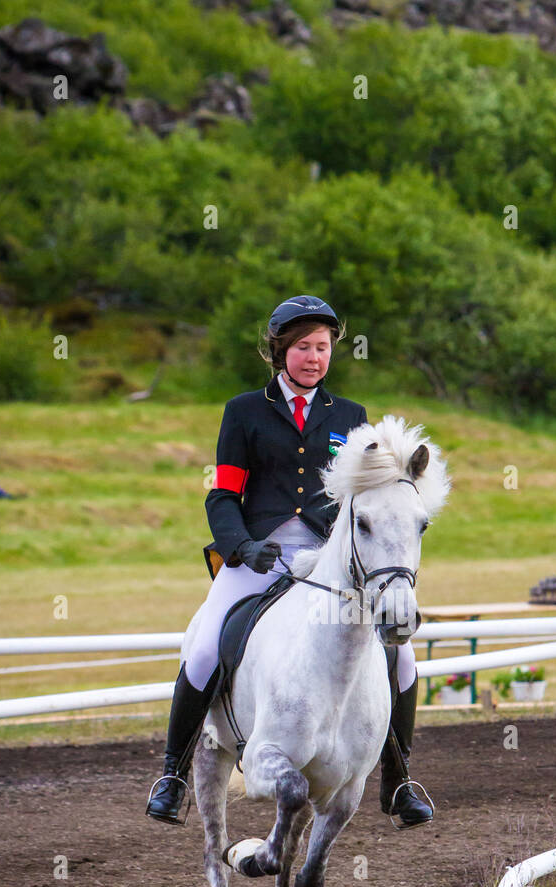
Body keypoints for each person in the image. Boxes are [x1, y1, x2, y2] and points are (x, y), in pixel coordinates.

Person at [146, 293, 433, 829]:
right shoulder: (243, 412)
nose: (315, 357)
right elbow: (223, 495)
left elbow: (362, 502)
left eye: (323, 347)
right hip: (255, 559)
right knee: (207, 646)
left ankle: (399, 779)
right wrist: (241, 545)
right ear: (281, 352)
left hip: (326, 562)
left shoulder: (350, 417)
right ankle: (173, 774)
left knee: (402, 657)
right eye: (304, 347)